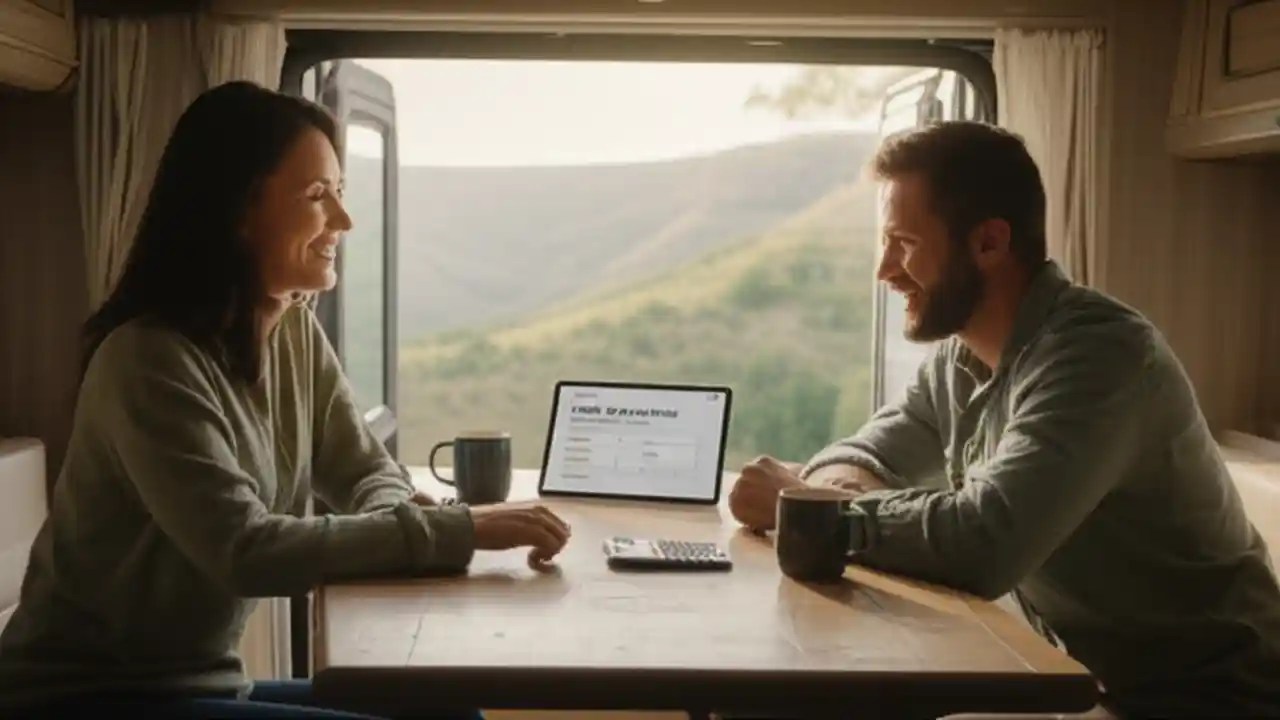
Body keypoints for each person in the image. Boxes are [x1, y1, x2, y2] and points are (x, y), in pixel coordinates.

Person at [0, 81, 571, 719]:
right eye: (317, 195)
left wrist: (406, 520)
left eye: (340, 193)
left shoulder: (292, 328)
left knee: (450, 711)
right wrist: (456, 530)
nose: (344, 222)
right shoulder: (147, 360)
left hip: (206, 686)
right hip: (85, 699)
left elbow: (363, 467)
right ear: (237, 209)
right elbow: (245, 551)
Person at [728, 122, 1280, 717]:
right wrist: (824, 495)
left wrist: (813, 513)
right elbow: (866, 453)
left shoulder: (1099, 355)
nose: (884, 269)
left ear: (989, 243)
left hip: (1209, 703)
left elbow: (983, 543)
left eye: (904, 242)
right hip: (1092, 689)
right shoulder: (959, 359)